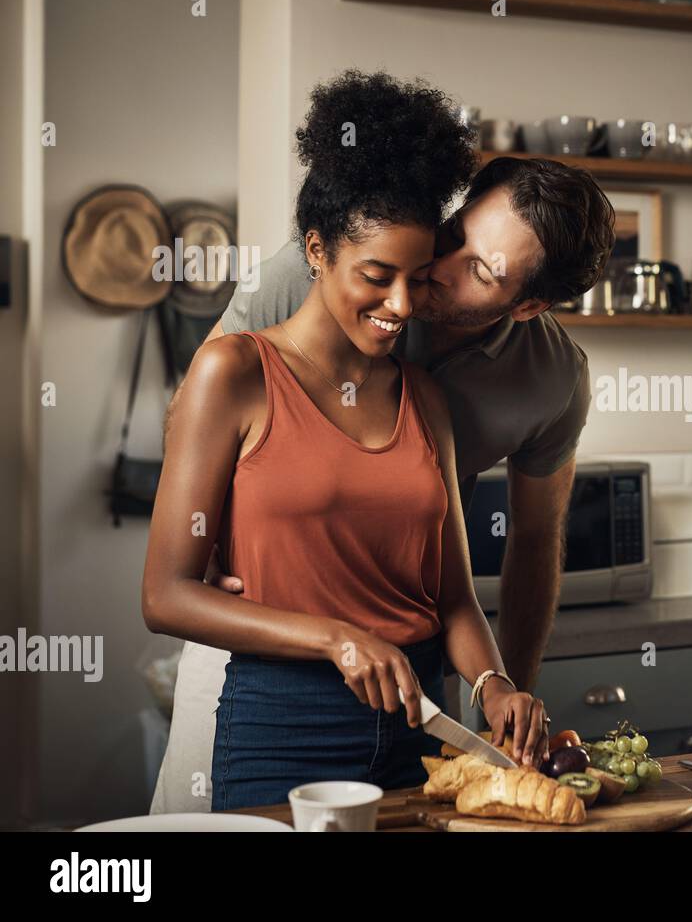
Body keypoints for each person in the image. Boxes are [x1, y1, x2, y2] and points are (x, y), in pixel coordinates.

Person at [144, 70, 613, 811]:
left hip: (412, 680)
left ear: (526, 307)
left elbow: (524, 546)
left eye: (478, 272)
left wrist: (500, 688)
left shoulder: (532, 381)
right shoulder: (295, 278)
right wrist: (208, 545)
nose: (422, 286)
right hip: (269, 643)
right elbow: (196, 423)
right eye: (453, 239)